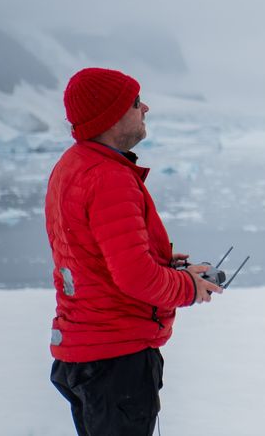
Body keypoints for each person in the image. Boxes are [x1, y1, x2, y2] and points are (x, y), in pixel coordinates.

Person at [45, 67, 222, 435]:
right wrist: (188, 288)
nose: (146, 109)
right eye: (136, 102)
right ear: (111, 116)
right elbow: (134, 275)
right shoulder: (109, 178)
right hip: (116, 360)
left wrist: (164, 263)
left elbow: (90, 256)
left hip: (85, 350)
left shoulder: (73, 166)